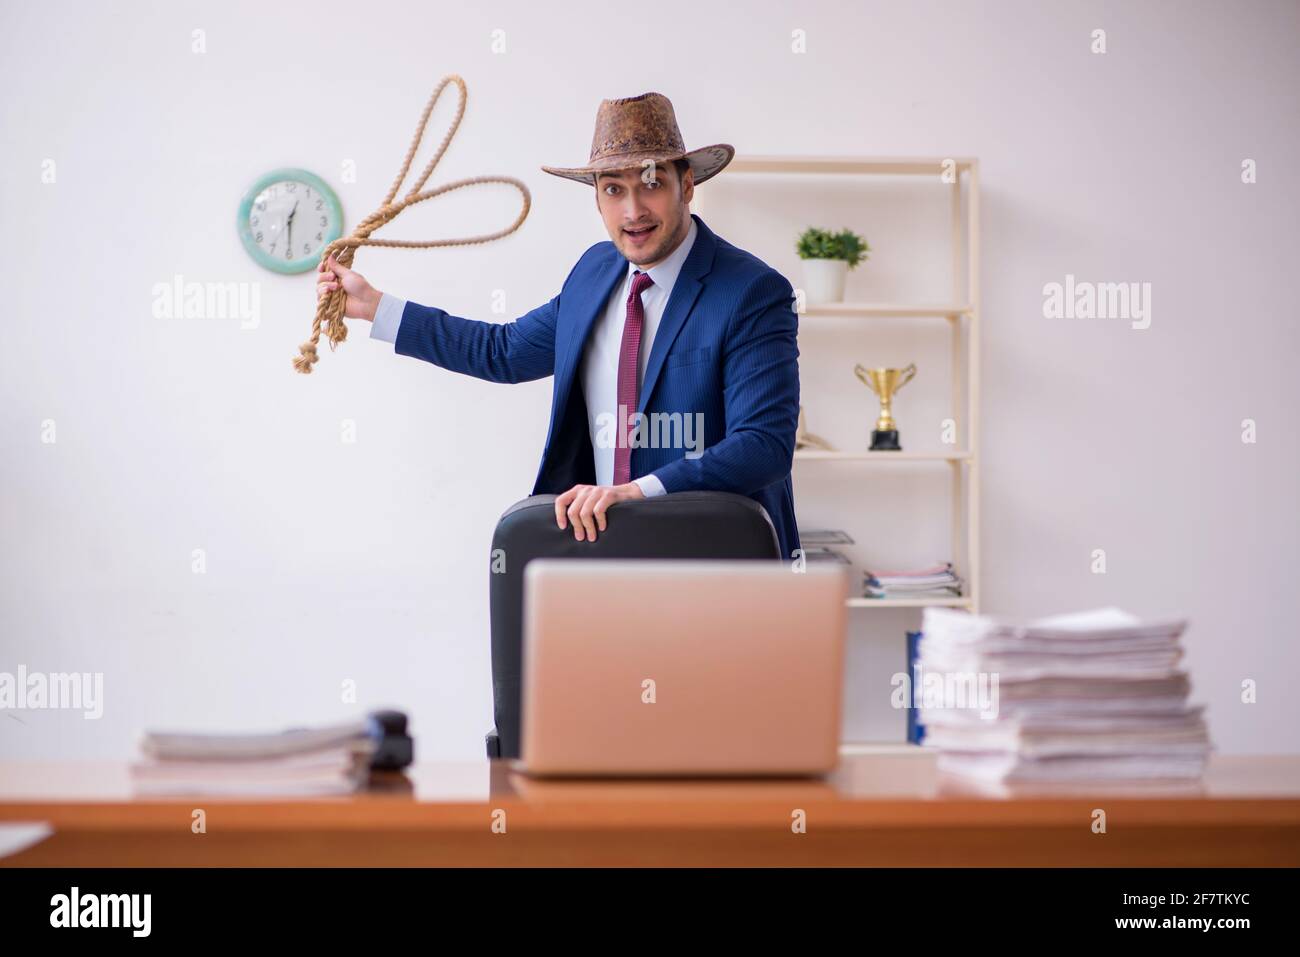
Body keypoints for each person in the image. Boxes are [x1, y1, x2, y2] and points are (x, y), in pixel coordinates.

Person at [317, 91, 801, 560]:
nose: (632, 212)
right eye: (613, 189)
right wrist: (375, 307)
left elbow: (763, 446)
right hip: (601, 551)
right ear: (597, 197)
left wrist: (639, 492)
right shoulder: (594, 272)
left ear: (687, 185)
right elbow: (503, 352)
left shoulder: (752, 292)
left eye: (651, 184)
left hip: (718, 563)